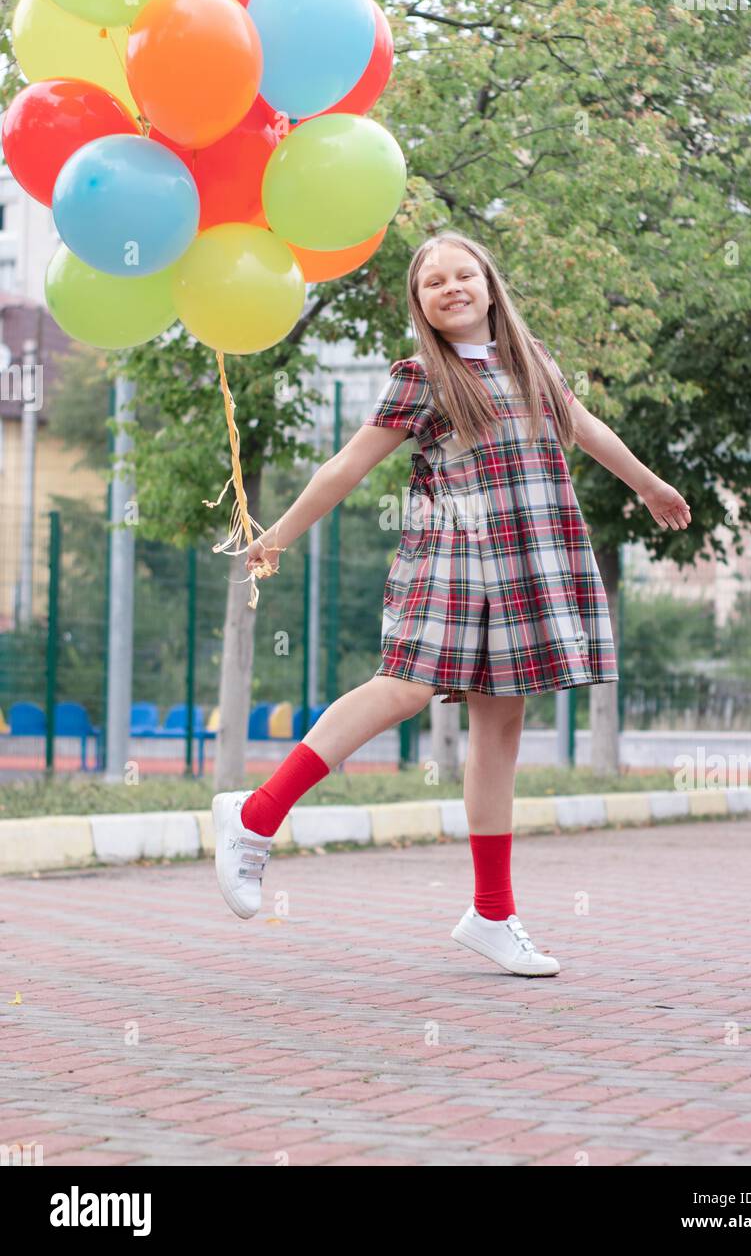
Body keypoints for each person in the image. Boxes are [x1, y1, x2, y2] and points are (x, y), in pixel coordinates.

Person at [212, 231, 690, 977]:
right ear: (421, 307)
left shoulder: (532, 366)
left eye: (464, 274)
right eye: (433, 282)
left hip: (530, 557)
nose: (452, 287)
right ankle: (255, 815)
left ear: (491, 286)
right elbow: (347, 465)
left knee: (500, 729)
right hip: (454, 560)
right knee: (399, 689)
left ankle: (493, 915)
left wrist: (649, 484)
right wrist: (277, 533)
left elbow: (585, 429)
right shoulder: (421, 379)